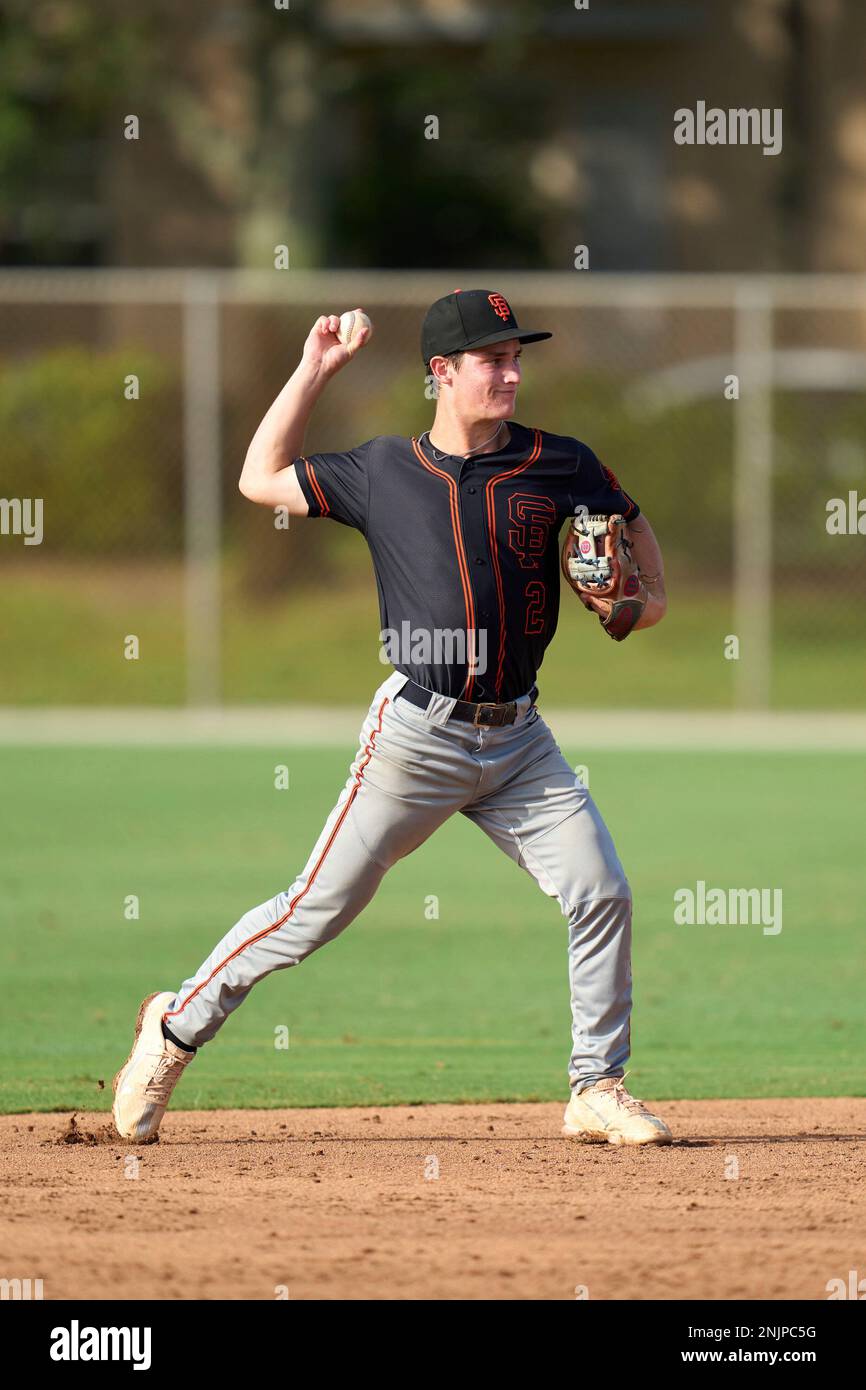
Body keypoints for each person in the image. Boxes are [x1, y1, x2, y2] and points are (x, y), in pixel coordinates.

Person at [113, 289, 672, 1147]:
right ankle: (175, 1027)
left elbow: (631, 525)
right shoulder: (382, 469)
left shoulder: (561, 463)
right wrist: (314, 370)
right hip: (417, 737)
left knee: (601, 890)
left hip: (521, 741)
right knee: (313, 913)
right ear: (441, 373)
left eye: (518, 356)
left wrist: (643, 601)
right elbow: (259, 476)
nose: (513, 371)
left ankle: (596, 1085)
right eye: (494, 358)